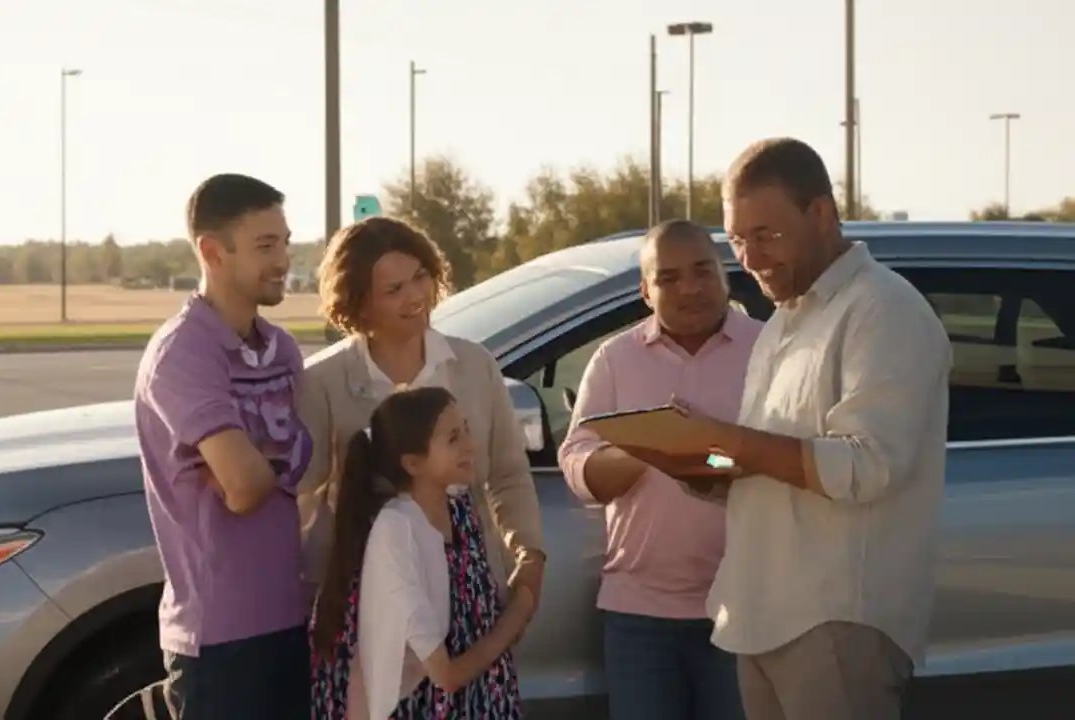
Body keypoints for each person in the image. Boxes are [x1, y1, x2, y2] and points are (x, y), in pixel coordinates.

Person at [668, 138, 951, 720]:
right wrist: (705, 467)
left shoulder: (883, 309)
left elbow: (864, 465)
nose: (749, 257)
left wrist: (725, 439)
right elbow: (762, 463)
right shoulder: (784, 322)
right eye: (738, 240)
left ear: (821, 213)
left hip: (835, 624)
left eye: (766, 235)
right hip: (760, 614)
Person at [558, 219, 761, 720]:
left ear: (726, 276)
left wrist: (709, 457)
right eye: (668, 278)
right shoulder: (613, 360)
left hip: (746, 606)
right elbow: (577, 459)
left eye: (701, 271)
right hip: (638, 616)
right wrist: (645, 449)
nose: (688, 288)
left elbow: (785, 457)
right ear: (645, 291)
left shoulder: (769, 348)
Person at [133, 173, 313, 720]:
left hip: (292, 618)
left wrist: (255, 459)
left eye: (284, 241)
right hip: (220, 639)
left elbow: (296, 468)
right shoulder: (182, 354)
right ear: (212, 251)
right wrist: (258, 465)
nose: (283, 258)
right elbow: (246, 486)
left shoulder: (281, 349)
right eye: (265, 245)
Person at [297, 216, 545, 610]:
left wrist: (529, 555)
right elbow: (301, 496)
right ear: (358, 302)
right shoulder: (322, 382)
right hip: (364, 600)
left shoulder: (474, 364)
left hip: (470, 590)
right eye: (394, 289)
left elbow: (507, 474)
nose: (416, 296)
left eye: (421, 276)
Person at [310, 386, 534, 719]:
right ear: (413, 462)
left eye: (467, 430)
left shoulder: (460, 511)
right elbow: (446, 674)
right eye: (453, 438)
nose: (470, 445)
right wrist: (520, 611)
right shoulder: (396, 534)